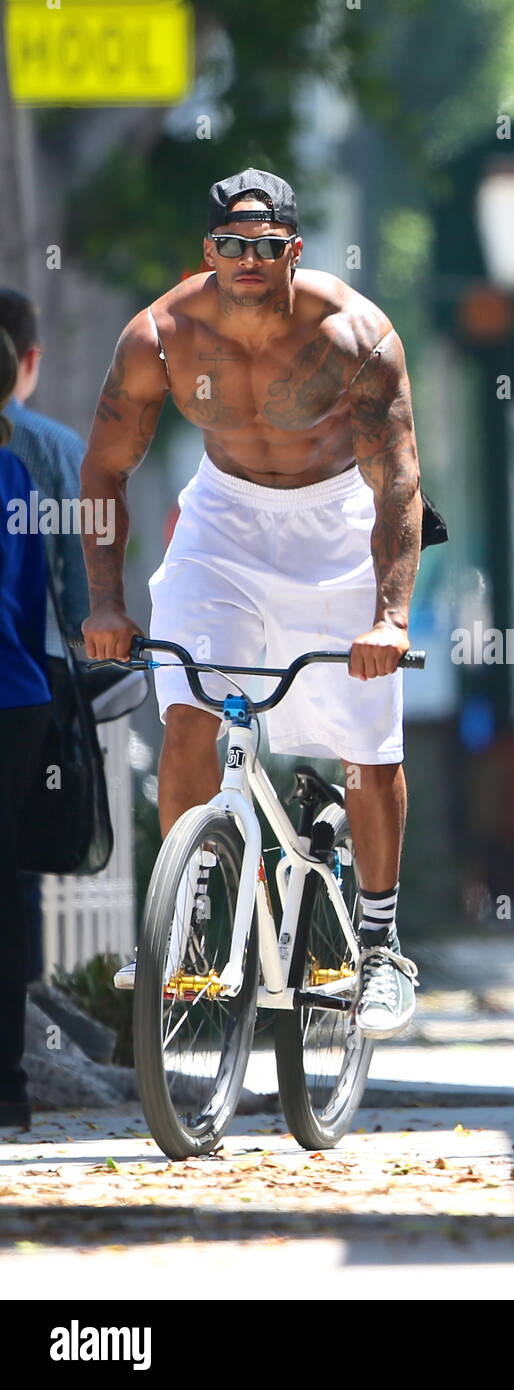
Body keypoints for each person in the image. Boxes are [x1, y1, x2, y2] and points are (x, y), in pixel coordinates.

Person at [80, 169, 423, 1038]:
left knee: (369, 749)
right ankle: (186, 925)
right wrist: (107, 603)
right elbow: (104, 471)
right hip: (224, 525)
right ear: (209, 251)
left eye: (266, 245)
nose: (247, 259)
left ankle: (380, 948)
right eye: (230, 244)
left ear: (293, 251)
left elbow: (398, 485)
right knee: (191, 711)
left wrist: (389, 616)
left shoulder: (356, 334)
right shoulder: (161, 335)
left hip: (339, 523)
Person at [0, 289, 92, 983]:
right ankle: (26, 1004)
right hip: (37, 680)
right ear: (26, 360)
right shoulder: (57, 452)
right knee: (22, 860)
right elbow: (78, 587)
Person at [0, 325, 53, 1130]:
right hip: (19, 694)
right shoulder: (15, 471)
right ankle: (9, 1081)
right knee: (7, 878)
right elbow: (37, 593)